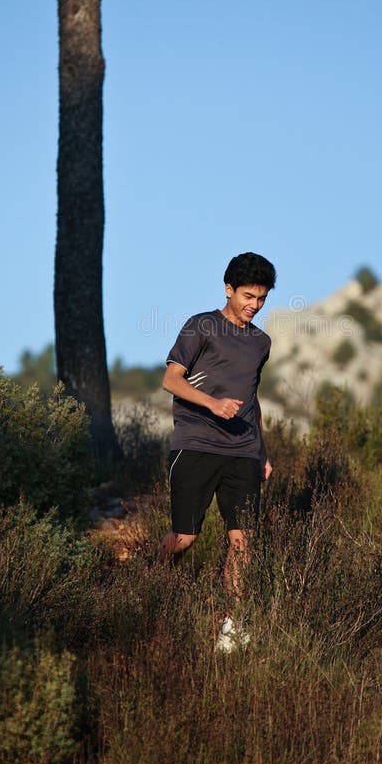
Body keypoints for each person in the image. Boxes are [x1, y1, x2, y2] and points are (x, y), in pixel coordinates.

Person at [160, 251, 276, 652]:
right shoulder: (202, 326)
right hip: (196, 444)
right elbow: (171, 380)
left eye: (262, 299)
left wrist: (262, 452)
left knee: (244, 541)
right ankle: (154, 580)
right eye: (248, 296)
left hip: (243, 450)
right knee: (184, 538)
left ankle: (233, 626)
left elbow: (251, 398)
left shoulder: (261, 343)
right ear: (229, 289)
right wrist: (212, 404)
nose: (254, 305)